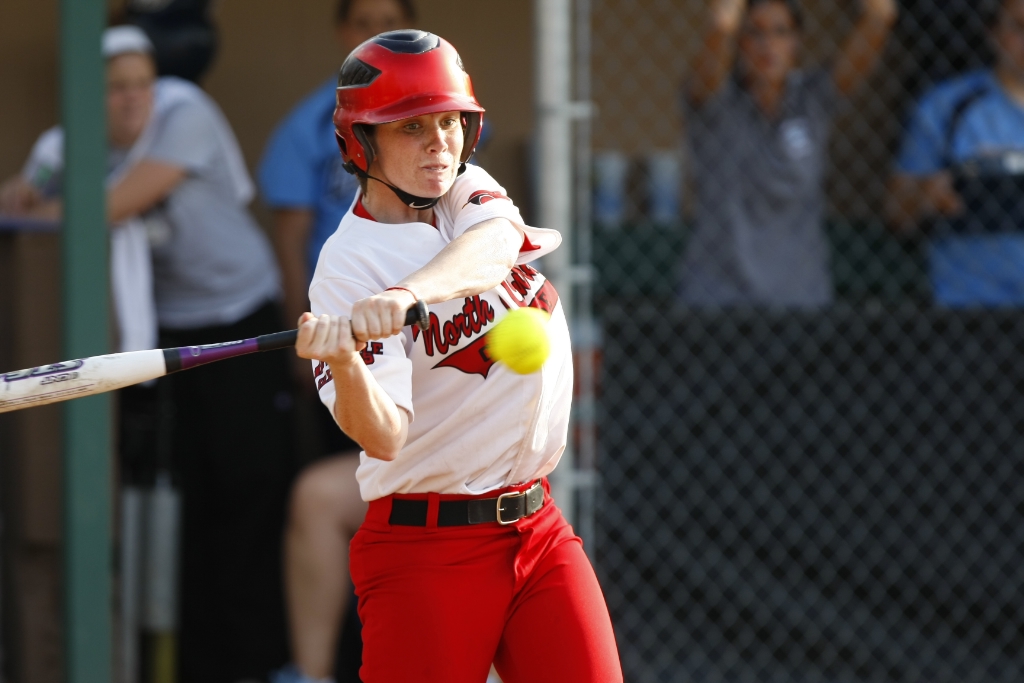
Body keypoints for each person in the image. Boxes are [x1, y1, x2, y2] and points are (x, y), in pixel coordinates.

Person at [292, 29, 622, 682]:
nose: (438, 142)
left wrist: (409, 294)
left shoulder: (466, 187)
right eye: (412, 126)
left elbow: (494, 249)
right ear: (362, 143)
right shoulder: (346, 267)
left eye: (449, 122)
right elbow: (383, 434)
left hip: (538, 527)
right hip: (427, 548)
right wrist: (349, 362)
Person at [0, 26, 294, 683]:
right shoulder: (67, 144)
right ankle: (199, 667)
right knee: (183, 506)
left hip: (241, 322)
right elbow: (20, 199)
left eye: (141, 84)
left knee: (249, 494)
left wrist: (50, 203)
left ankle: (259, 662)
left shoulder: (183, 108)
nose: (135, 100)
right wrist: (32, 193)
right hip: (163, 341)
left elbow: (109, 206)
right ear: (87, 97)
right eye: (115, 89)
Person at [257, 2, 416, 681]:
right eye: (361, 20)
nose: (437, 145)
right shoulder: (307, 126)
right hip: (354, 350)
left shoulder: (456, 158)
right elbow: (292, 237)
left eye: (391, 20)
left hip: (433, 377)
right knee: (336, 500)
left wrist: (406, 299)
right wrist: (315, 326)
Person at [679, 0, 897, 308]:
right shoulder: (717, 102)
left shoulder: (811, 100)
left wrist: (879, 13)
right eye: (755, 33)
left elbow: (878, 23)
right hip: (720, 302)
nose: (768, 45)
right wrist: (722, 26)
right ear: (740, 43)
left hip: (799, 302)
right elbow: (716, 42)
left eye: (781, 33)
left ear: (796, 43)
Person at [886, 0, 1024, 307]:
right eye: (1018, 27)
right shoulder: (947, 107)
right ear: (994, 33)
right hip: (969, 306)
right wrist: (926, 194)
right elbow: (896, 212)